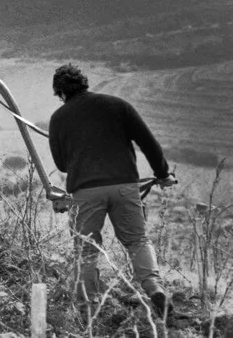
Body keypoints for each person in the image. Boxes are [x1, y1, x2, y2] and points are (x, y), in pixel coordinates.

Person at [47, 64, 177, 321]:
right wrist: (162, 174)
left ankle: (88, 312)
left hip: (85, 190)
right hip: (124, 185)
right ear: (84, 84)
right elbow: (148, 143)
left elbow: (62, 164)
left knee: (86, 250)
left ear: (61, 93)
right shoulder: (118, 105)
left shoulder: (58, 118)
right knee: (137, 240)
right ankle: (155, 288)